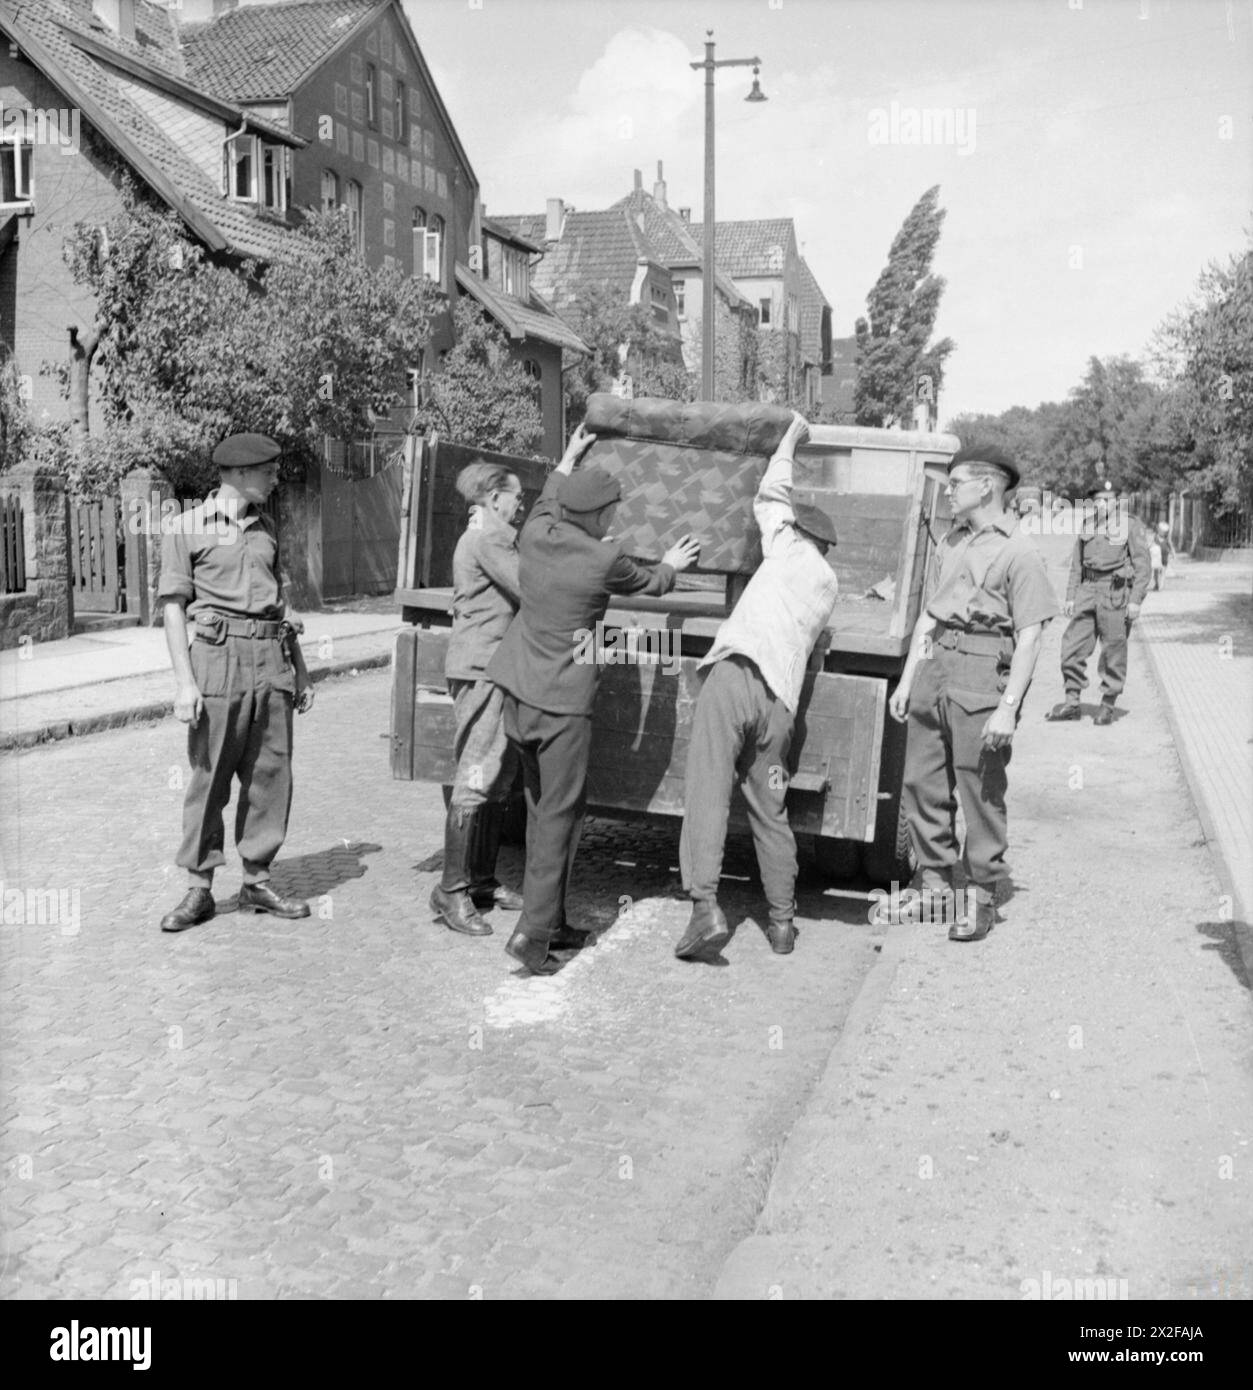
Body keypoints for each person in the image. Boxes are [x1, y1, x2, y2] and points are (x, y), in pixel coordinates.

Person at [487, 425, 701, 975]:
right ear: (599, 514)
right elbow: (654, 583)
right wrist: (674, 561)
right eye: (611, 510)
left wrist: (566, 458)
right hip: (562, 704)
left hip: (518, 693)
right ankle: (532, 936)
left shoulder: (534, 534)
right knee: (560, 816)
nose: (614, 519)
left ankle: (552, 922)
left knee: (540, 809)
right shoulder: (603, 561)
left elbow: (545, 499)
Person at [674, 411, 838, 960]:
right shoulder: (828, 588)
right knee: (770, 808)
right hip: (779, 710)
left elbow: (769, 495)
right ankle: (783, 924)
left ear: (800, 533)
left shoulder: (787, 549)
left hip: (737, 679)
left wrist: (790, 437)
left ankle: (704, 909)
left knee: (708, 790)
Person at [890, 444, 1057, 942]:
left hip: (984, 673)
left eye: (956, 482)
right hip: (935, 665)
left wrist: (1008, 709)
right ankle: (935, 884)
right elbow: (931, 612)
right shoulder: (952, 542)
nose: (949, 490)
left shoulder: (1019, 550)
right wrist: (907, 679)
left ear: (987, 485)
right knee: (922, 782)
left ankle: (982, 896)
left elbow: (1030, 636)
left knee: (979, 787)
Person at [157, 433, 314, 933]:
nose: (274, 479)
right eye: (268, 472)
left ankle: (256, 879)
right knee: (210, 774)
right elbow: (173, 609)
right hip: (217, 658)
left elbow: (280, 606)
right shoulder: (186, 527)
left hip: (271, 658)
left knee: (271, 774)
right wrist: (185, 683)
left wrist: (302, 669)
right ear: (241, 474)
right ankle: (199, 888)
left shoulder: (266, 527)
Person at [429, 462, 527, 937]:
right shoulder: (489, 538)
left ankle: (481, 881)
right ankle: (451, 890)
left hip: (494, 668)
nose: (520, 503)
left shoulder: (490, 533)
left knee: (498, 777)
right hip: (482, 669)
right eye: (515, 496)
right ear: (492, 498)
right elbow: (530, 587)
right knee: (476, 775)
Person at [1047, 480, 1150, 726]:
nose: (1102, 504)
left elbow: (1143, 566)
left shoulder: (1130, 525)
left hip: (1114, 593)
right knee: (1071, 646)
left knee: (1113, 650)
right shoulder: (1088, 524)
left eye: (1108, 499)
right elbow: (1076, 564)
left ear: (1117, 500)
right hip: (1086, 590)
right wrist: (1071, 595)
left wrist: (1135, 601)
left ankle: (1107, 704)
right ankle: (1072, 702)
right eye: (1098, 499)